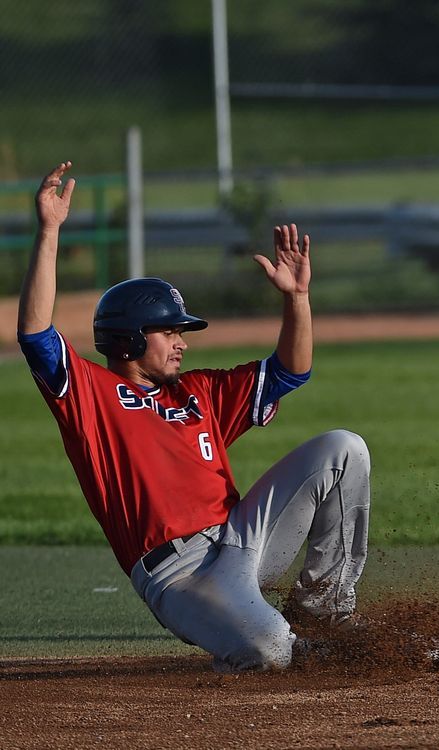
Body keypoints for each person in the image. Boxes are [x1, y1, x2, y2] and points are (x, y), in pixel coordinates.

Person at [18, 162, 371, 672]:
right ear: (130, 339)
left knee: (344, 448)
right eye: (169, 332)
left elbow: (289, 372)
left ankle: (325, 609)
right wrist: (50, 230)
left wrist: (297, 300)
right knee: (271, 649)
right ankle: (268, 640)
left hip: (244, 535)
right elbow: (36, 336)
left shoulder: (198, 391)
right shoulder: (92, 397)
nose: (181, 342)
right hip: (182, 574)